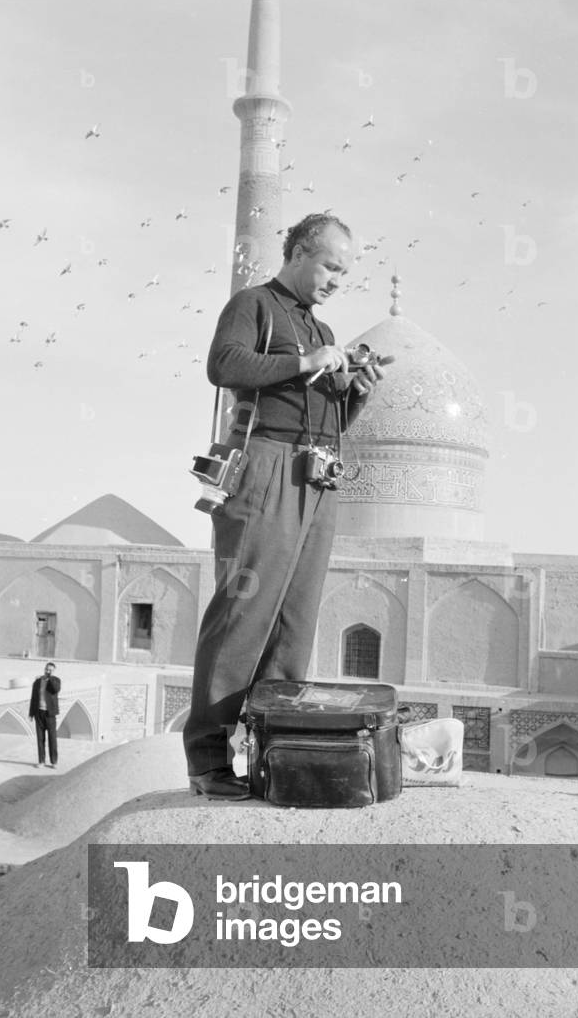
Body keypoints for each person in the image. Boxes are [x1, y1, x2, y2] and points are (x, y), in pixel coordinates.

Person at [183, 213, 388, 799]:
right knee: (245, 614)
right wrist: (306, 364)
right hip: (266, 467)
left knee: (294, 626)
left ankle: (276, 752)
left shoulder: (321, 330)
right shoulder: (254, 304)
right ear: (298, 252)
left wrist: (356, 391)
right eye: (329, 266)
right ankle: (208, 761)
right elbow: (224, 365)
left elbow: (326, 419)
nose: (335, 281)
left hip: (316, 475)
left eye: (344, 273)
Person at [29, 661, 61, 768]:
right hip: (39, 713)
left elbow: (56, 689)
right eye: (46, 669)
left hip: (50, 714)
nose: (47, 671)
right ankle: (41, 761)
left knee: (52, 738)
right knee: (40, 738)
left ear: (53, 671)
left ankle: (54, 762)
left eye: (50, 670)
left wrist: (50, 678)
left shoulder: (56, 681)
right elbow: (33, 698)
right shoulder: (37, 682)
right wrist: (31, 713)